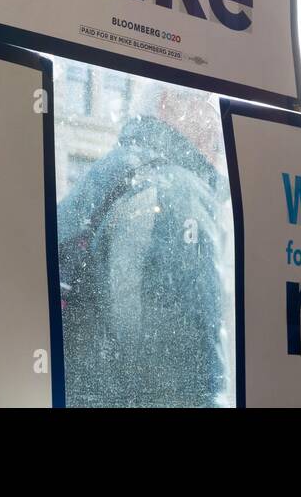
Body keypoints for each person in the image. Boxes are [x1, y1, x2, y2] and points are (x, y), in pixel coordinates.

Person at [56, 80, 229, 407]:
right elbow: (185, 379)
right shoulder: (175, 190)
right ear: (169, 102)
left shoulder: (109, 176)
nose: (217, 121)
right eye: (207, 102)